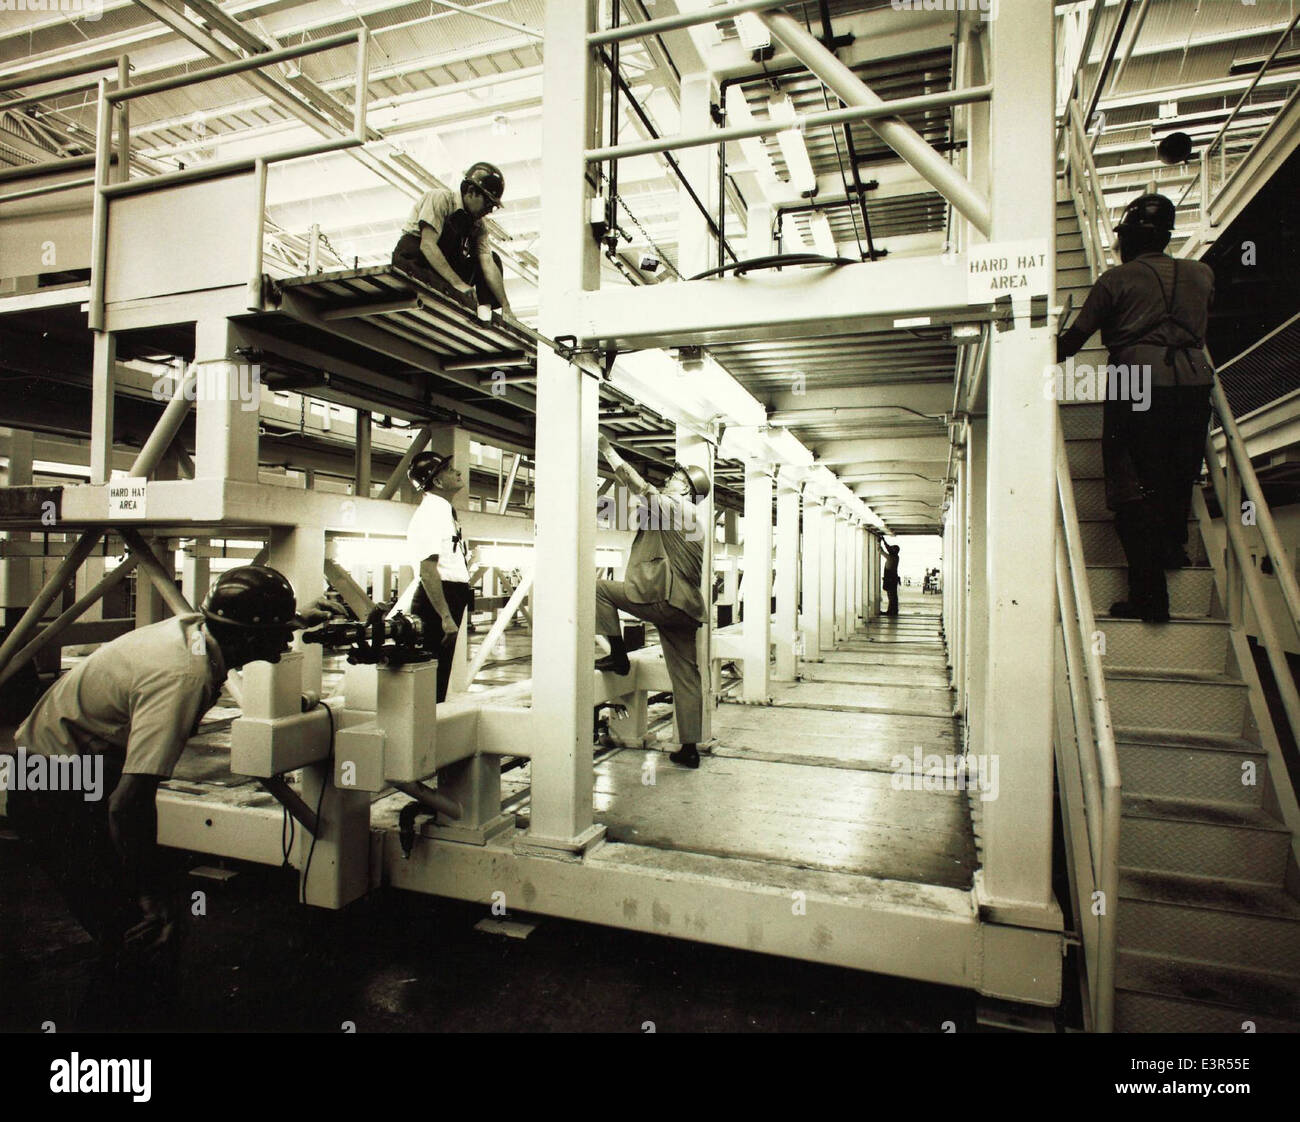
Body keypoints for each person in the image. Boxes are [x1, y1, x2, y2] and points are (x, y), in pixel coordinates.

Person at [6, 565, 314, 1025]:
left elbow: (247, 625)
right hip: (54, 786)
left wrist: (300, 617)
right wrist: (151, 892)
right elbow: (129, 805)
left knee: (146, 929)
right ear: (247, 638)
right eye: (278, 634)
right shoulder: (182, 677)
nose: (287, 644)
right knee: (140, 930)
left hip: (67, 769)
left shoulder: (196, 630)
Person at [1057, 192, 1216, 624]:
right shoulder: (1201, 274)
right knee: (1178, 473)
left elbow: (1074, 340)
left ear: (1127, 238)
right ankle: (1172, 548)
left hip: (1136, 378)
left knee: (1130, 485)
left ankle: (1150, 598)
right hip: (1194, 381)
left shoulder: (1116, 279)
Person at [594, 434, 710, 769]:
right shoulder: (693, 523)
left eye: (675, 478)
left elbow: (641, 488)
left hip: (661, 600)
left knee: (600, 588)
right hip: (686, 610)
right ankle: (689, 748)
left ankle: (617, 656)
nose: (668, 480)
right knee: (687, 676)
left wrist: (607, 450)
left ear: (687, 490)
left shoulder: (675, 508)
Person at [395, 449, 473, 703]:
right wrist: (446, 617)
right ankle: (423, 730)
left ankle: (430, 725)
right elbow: (428, 573)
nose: (458, 472)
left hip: (451, 593)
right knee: (431, 674)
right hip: (438, 598)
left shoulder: (443, 511)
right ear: (437, 482)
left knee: (440, 671)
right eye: (450, 470)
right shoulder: (429, 515)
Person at [391, 162, 513, 314]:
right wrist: (458, 284)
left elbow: (487, 263)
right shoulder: (440, 198)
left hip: (443, 269)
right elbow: (427, 245)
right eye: (488, 203)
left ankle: (484, 311)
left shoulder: (478, 226)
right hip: (417, 259)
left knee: (493, 258)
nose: (489, 211)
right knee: (419, 249)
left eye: (492, 207)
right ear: (471, 191)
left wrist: (506, 305)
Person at [880, 540, 900, 615]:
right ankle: (894, 610)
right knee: (893, 596)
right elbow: (889, 549)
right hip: (893, 579)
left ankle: (891, 611)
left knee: (891, 596)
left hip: (890, 579)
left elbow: (880, 551)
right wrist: (884, 541)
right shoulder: (896, 557)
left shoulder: (890, 557)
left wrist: (879, 542)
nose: (890, 549)